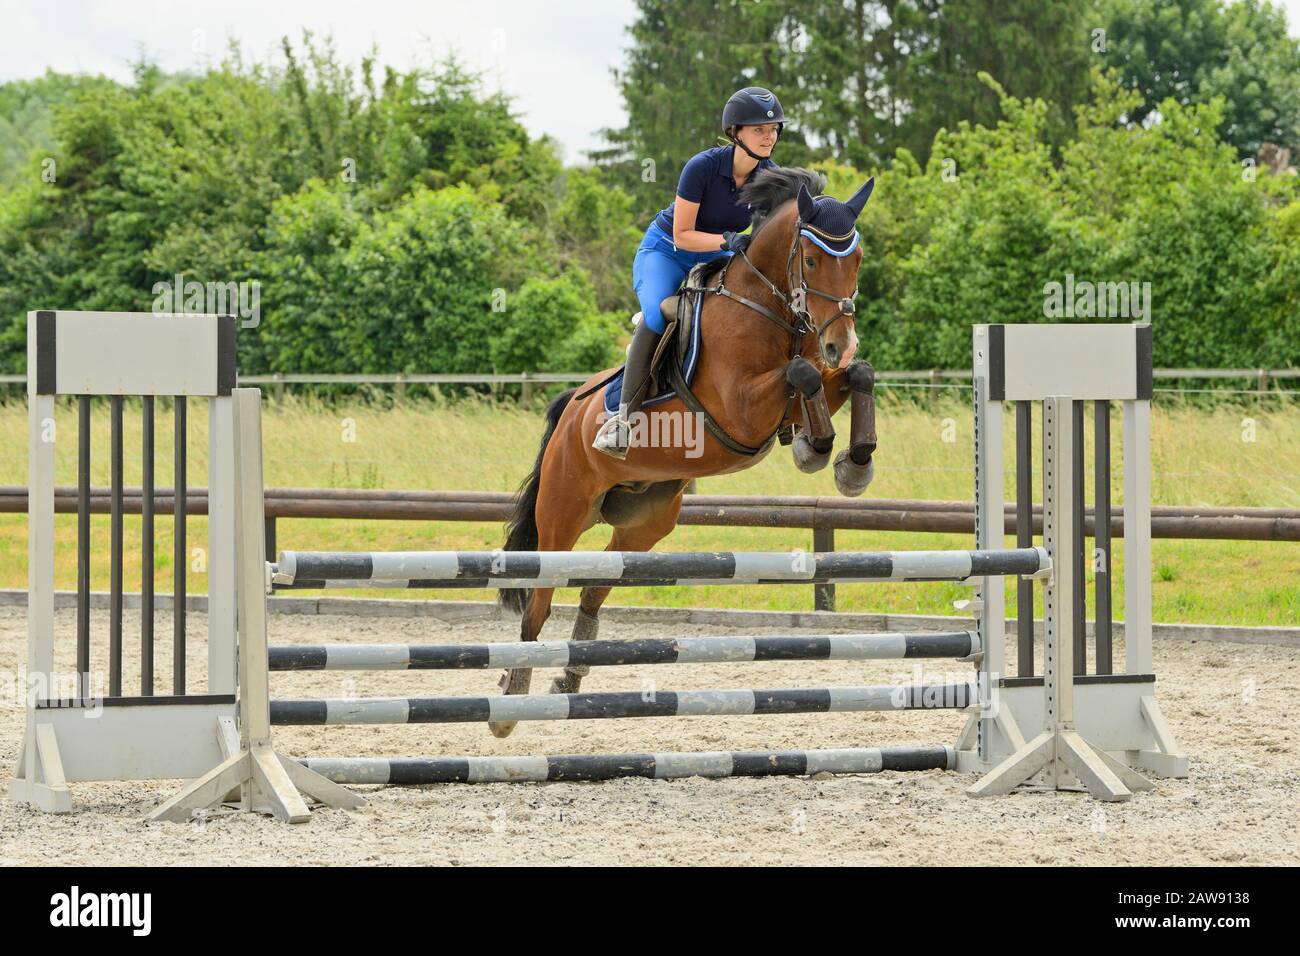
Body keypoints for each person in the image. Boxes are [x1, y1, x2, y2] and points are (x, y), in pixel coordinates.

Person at [592, 86, 787, 458]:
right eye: (759, 129)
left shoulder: (772, 178)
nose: (769, 136)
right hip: (667, 251)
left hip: (717, 258)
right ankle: (622, 419)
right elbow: (682, 235)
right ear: (736, 133)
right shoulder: (702, 167)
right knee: (655, 314)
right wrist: (730, 242)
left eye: (774, 129)